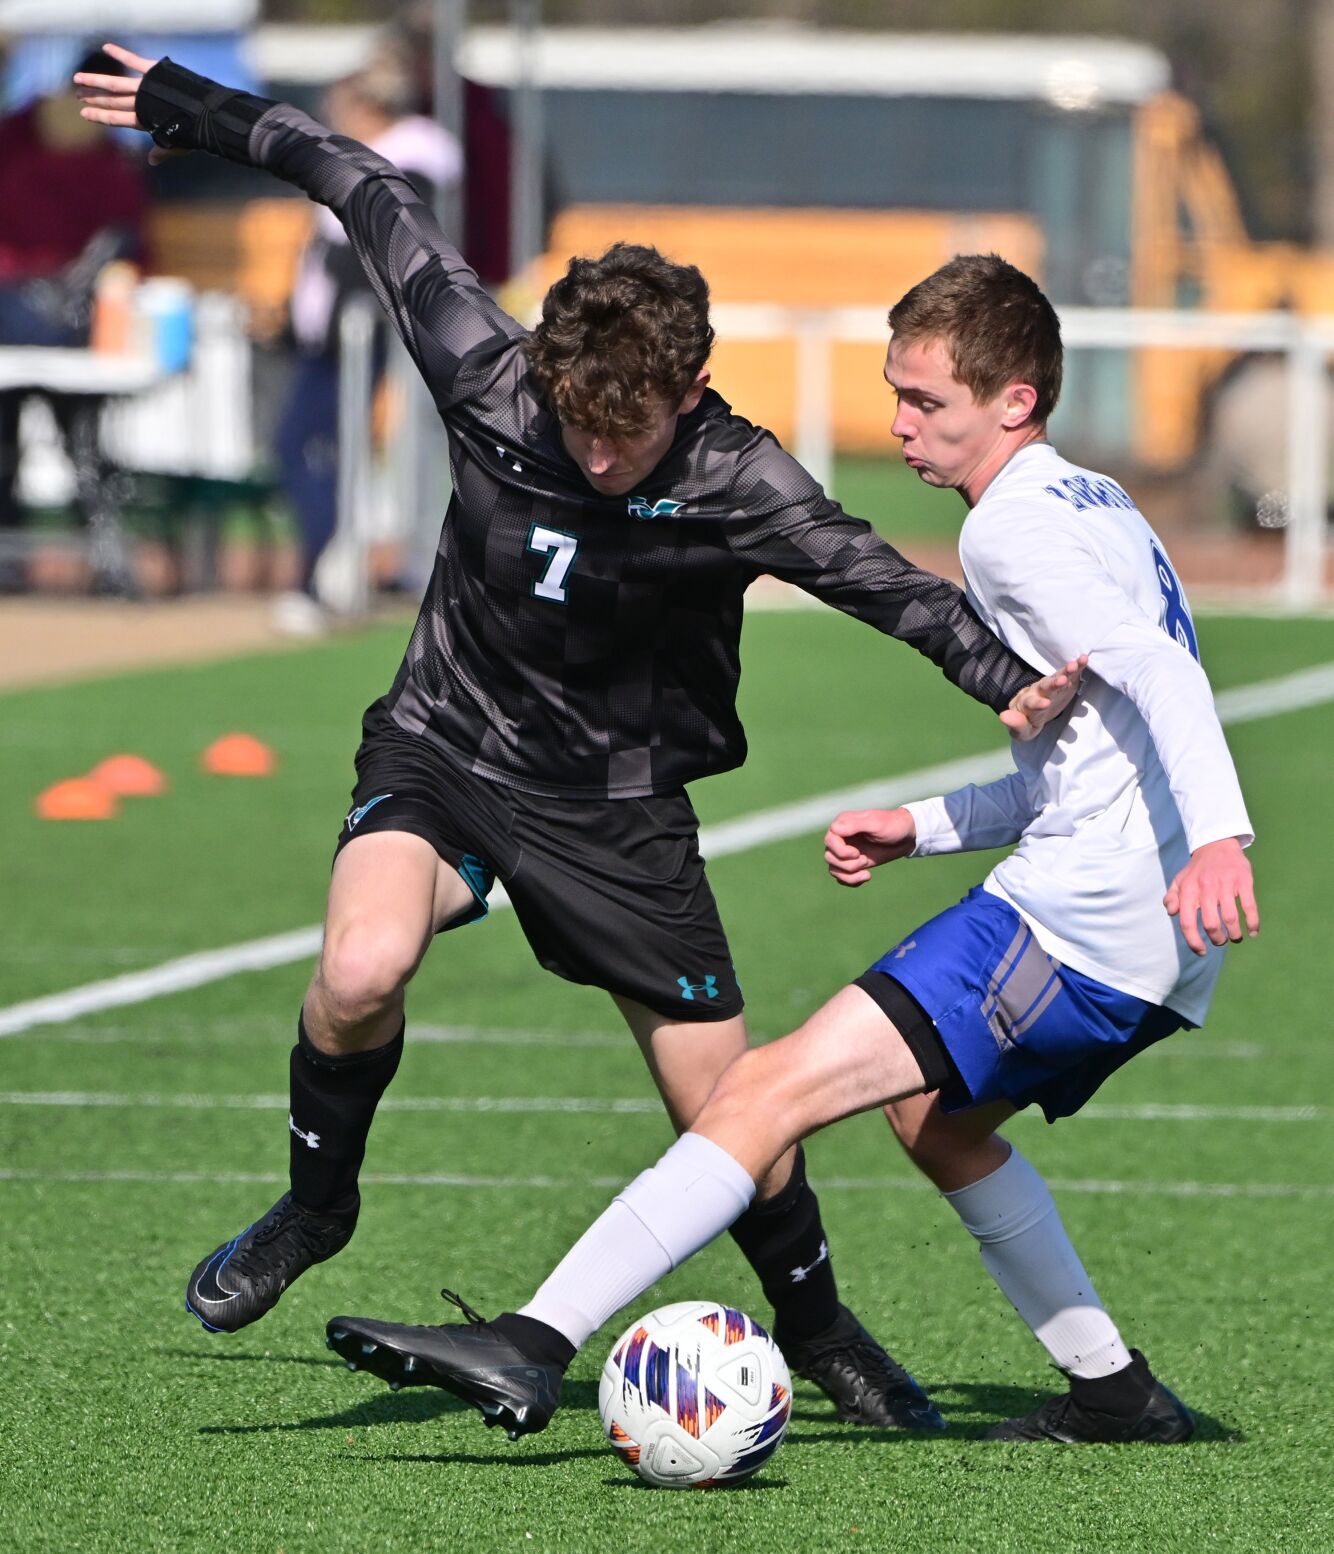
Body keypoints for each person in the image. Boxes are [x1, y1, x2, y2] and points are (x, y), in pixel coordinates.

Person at [76, 52, 1075, 1431]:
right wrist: (191, 105)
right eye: (580, 422)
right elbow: (354, 179)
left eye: (632, 430)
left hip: (614, 805)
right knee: (360, 963)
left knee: (728, 1111)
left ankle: (822, 1326)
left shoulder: (735, 474)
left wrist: (999, 675)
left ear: (692, 388)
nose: (600, 454)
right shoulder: (489, 377)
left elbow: (876, 578)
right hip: (447, 744)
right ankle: (317, 1203)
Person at [318, 255, 1258, 1446]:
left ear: (1014, 401)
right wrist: (921, 826)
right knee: (937, 1124)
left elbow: (1164, 678)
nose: (898, 424)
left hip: (1087, 916)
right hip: (1147, 927)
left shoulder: (1015, 532)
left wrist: (1221, 838)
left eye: (925, 404)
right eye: (894, 392)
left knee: (761, 1090)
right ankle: (1115, 1394)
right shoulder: (1097, 502)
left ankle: (530, 1342)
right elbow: (1091, 756)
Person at [272, 58, 462, 637]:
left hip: (362, 336)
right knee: (311, 448)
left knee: (315, 447)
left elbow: (390, 242)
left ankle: (319, 575)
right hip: (332, 335)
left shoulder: (412, 155)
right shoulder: (375, 156)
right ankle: (321, 571)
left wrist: (337, 272)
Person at [0, 47, 148, 589]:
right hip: (49, 313)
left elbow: (125, 234)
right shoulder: (96, 150)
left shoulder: (34, 136)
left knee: (57, 444)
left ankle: (36, 564)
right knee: (78, 443)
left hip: (42, 311)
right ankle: (102, 562)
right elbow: (129, 234)